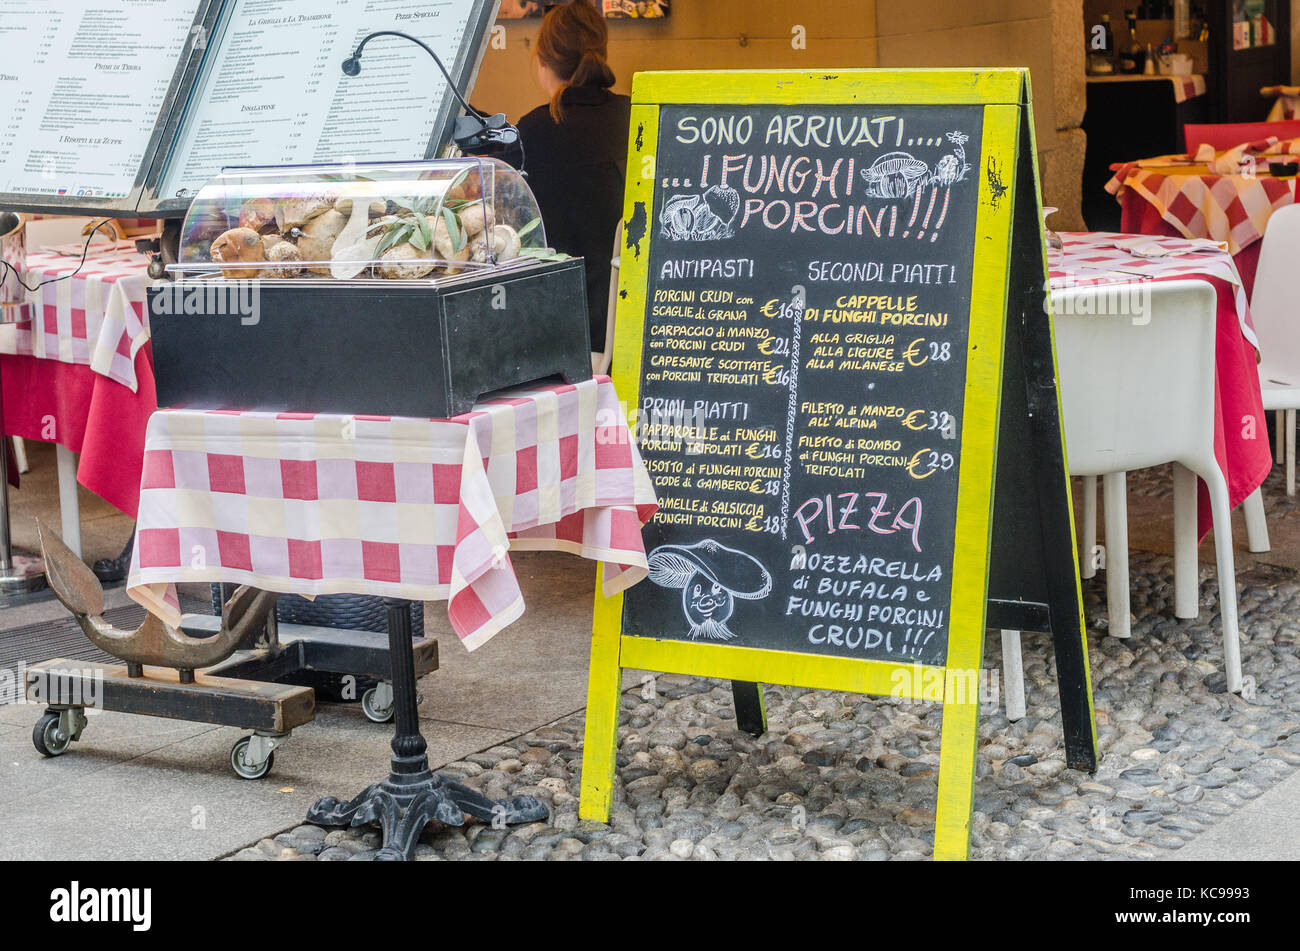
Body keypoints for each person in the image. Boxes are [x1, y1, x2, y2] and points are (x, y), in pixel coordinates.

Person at [511, 2, 630, 348]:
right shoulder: (635, 117)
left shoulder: (530, 132)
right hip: (633, 326)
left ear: (542, 63)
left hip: (552, 333)